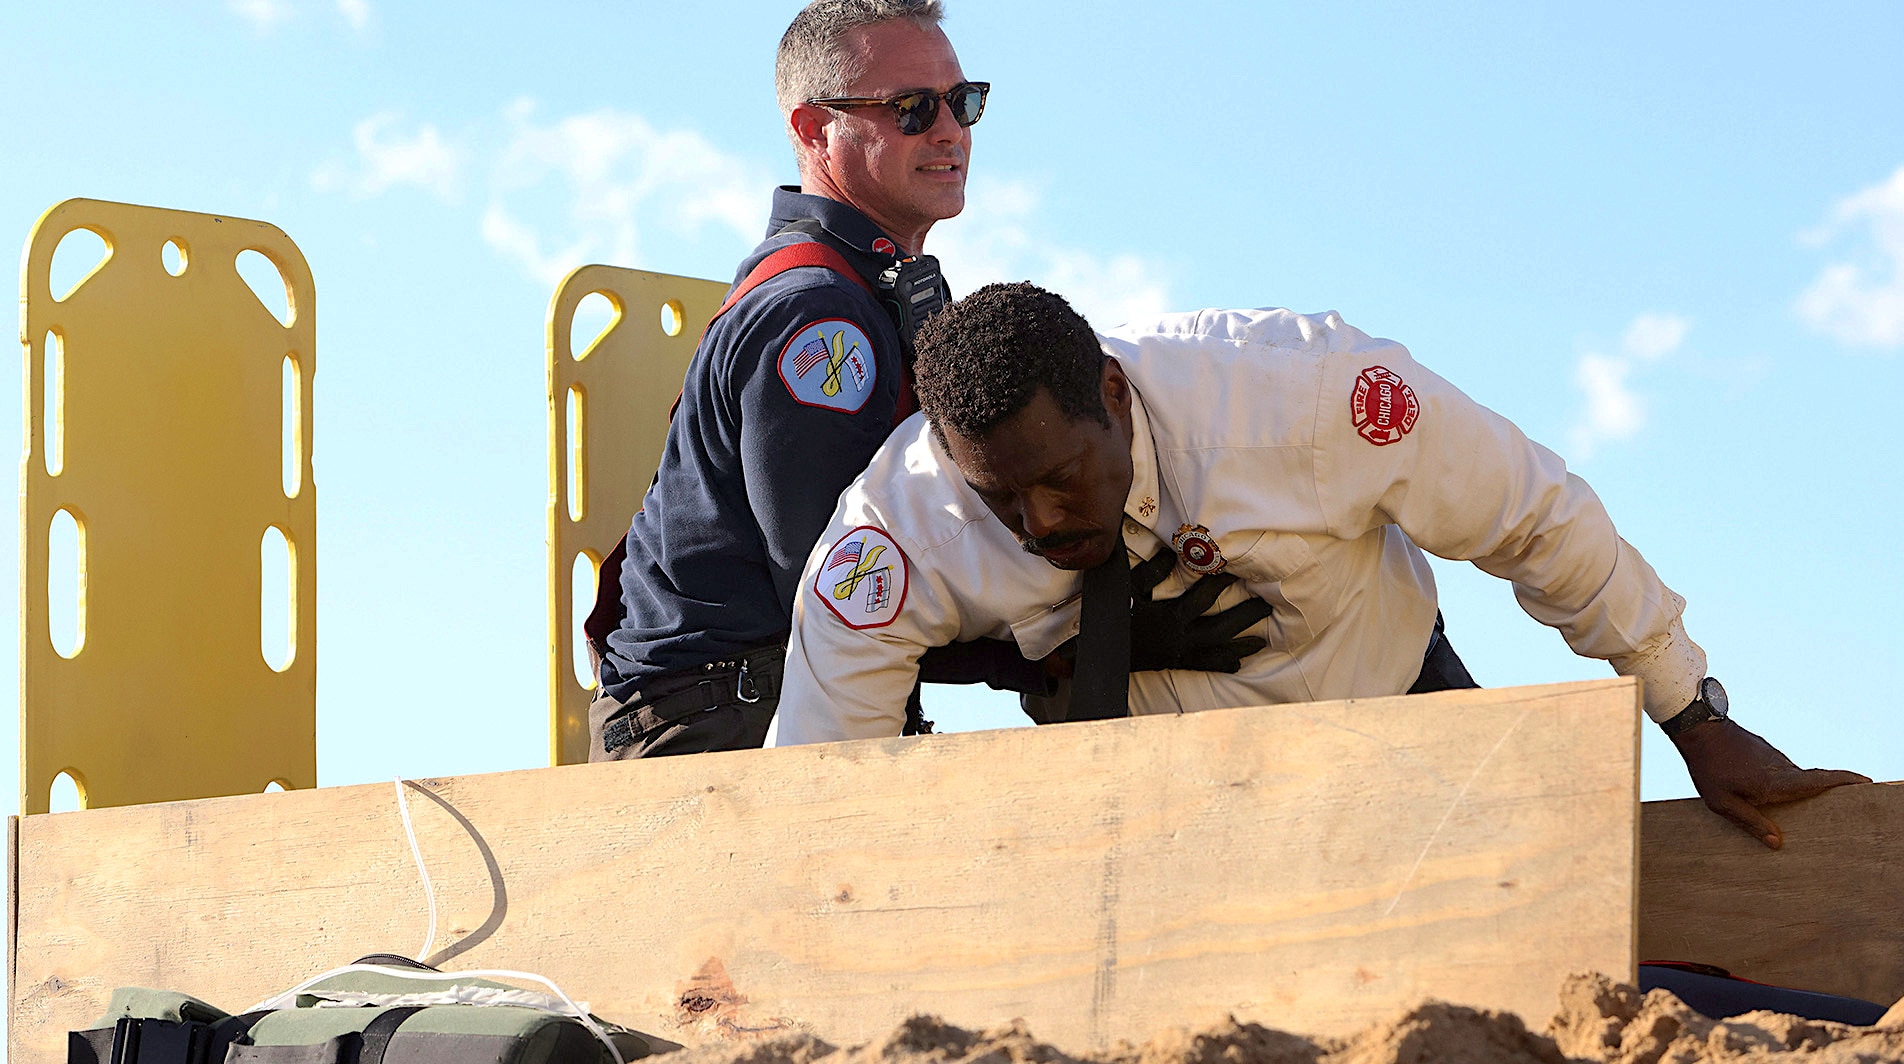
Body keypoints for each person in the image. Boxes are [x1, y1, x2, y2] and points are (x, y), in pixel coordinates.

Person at [772, 282, 1870, 848]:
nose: (1035, 520)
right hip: (1155, 812)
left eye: (1061, 478)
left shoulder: (1312, 401)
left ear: (1113, 392)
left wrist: (1691, 713)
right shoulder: (898, 532)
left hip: (1396, 717)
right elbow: (822, 786)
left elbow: (1535, 520)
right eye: (997, 495)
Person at [585, 0, 984, 760]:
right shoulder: (818, 315)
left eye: (962, 102)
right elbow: (842, 589)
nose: (948, 131)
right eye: (910, 108)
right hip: (713, 737)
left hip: (752, 709)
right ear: (813, 128)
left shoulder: (864, 291)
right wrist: (1056, 643)